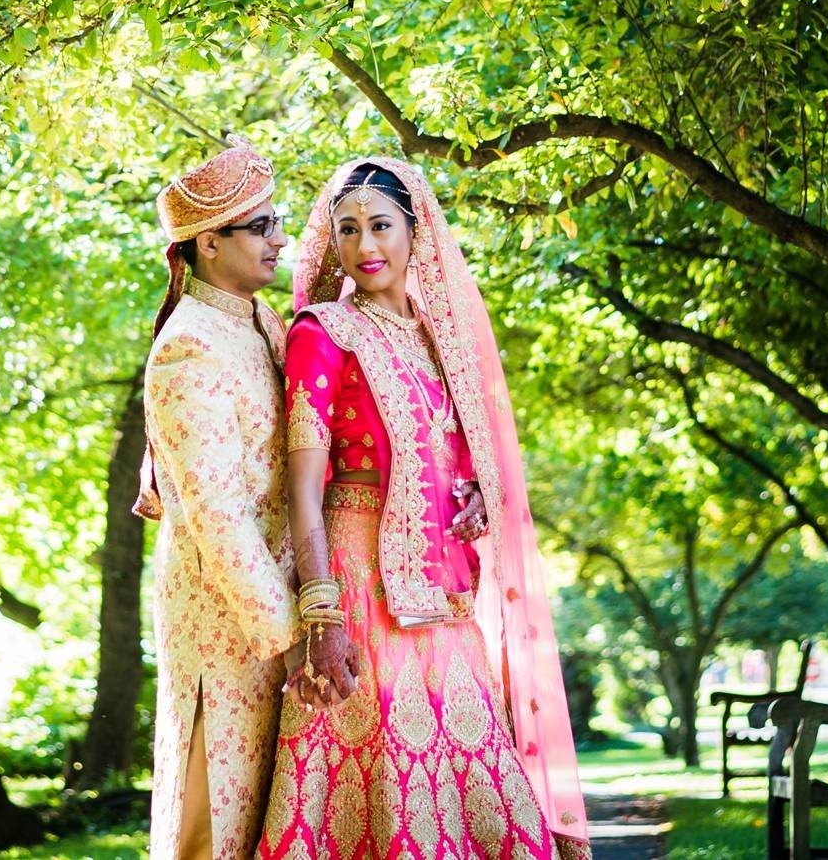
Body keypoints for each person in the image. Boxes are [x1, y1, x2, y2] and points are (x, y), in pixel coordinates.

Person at [258, 158, 590, 860]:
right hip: (357, 583)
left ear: (416, 232)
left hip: (441, 595)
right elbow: (303, 488)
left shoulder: (442, 343)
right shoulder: (323, 332)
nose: (365, 245)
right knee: (384, 785)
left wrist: (472, 495)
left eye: (381, 225)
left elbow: (453, 455)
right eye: (348, 230)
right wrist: (322, 616)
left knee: (477, 774)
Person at [139, 137, 302, 860]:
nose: (279, 239)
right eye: (261, 226)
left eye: (277, 221)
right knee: (216, 823)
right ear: (209, 242)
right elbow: (218, 515)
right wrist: (290, 636)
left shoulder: (258, 321)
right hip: (225, 624)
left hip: (283, 606)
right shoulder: (189, 345)